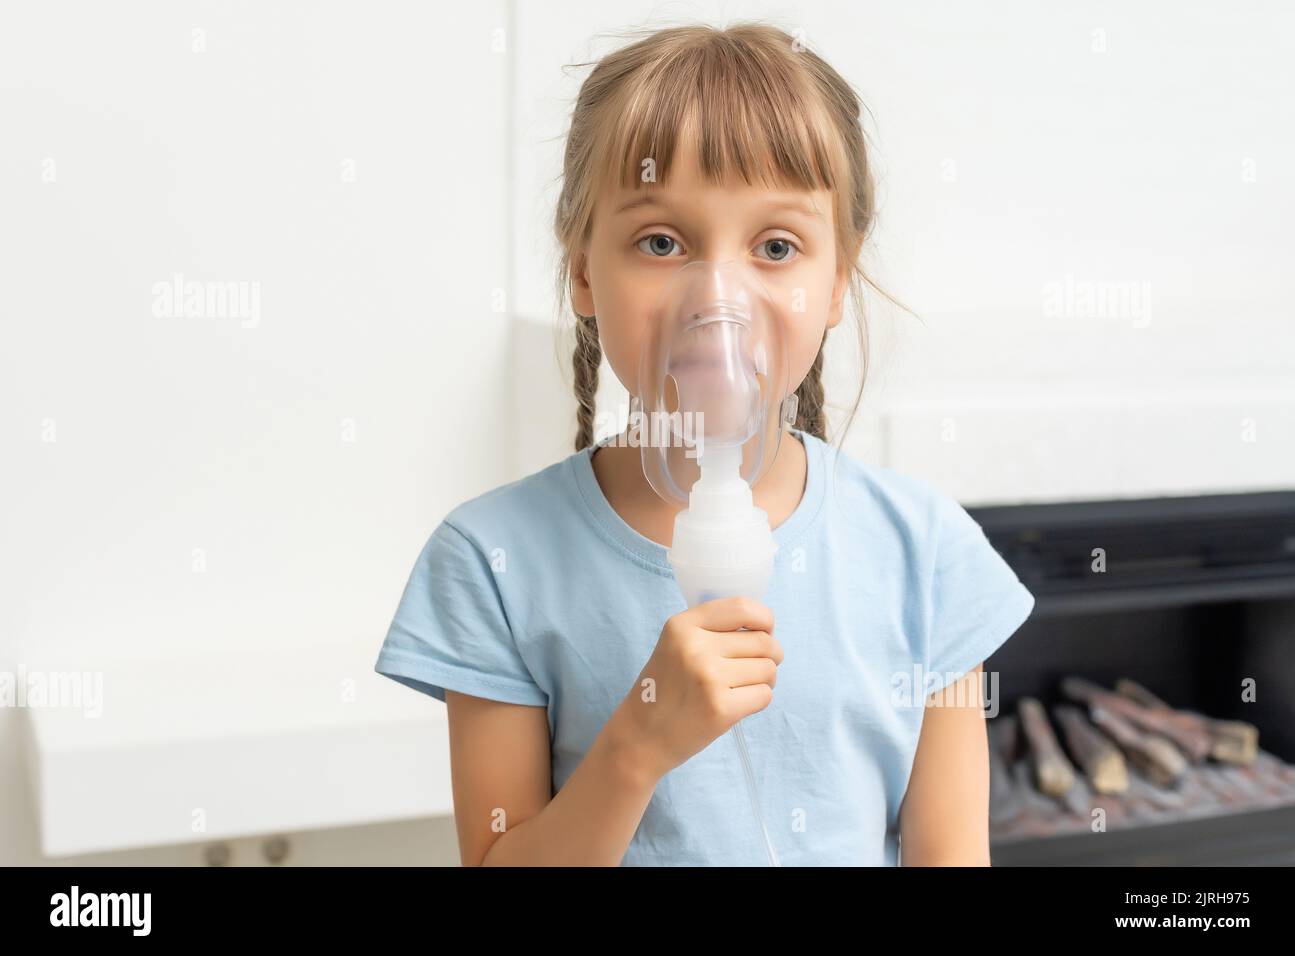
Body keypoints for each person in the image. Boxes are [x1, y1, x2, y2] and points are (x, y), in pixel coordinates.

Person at [374, 22, 1035, 866]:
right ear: (582, 269)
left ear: (836, 279)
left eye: (776, 247)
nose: (716, 299)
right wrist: (639, 742)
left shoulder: (925, 551)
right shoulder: (494, 561)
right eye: (661, 242)